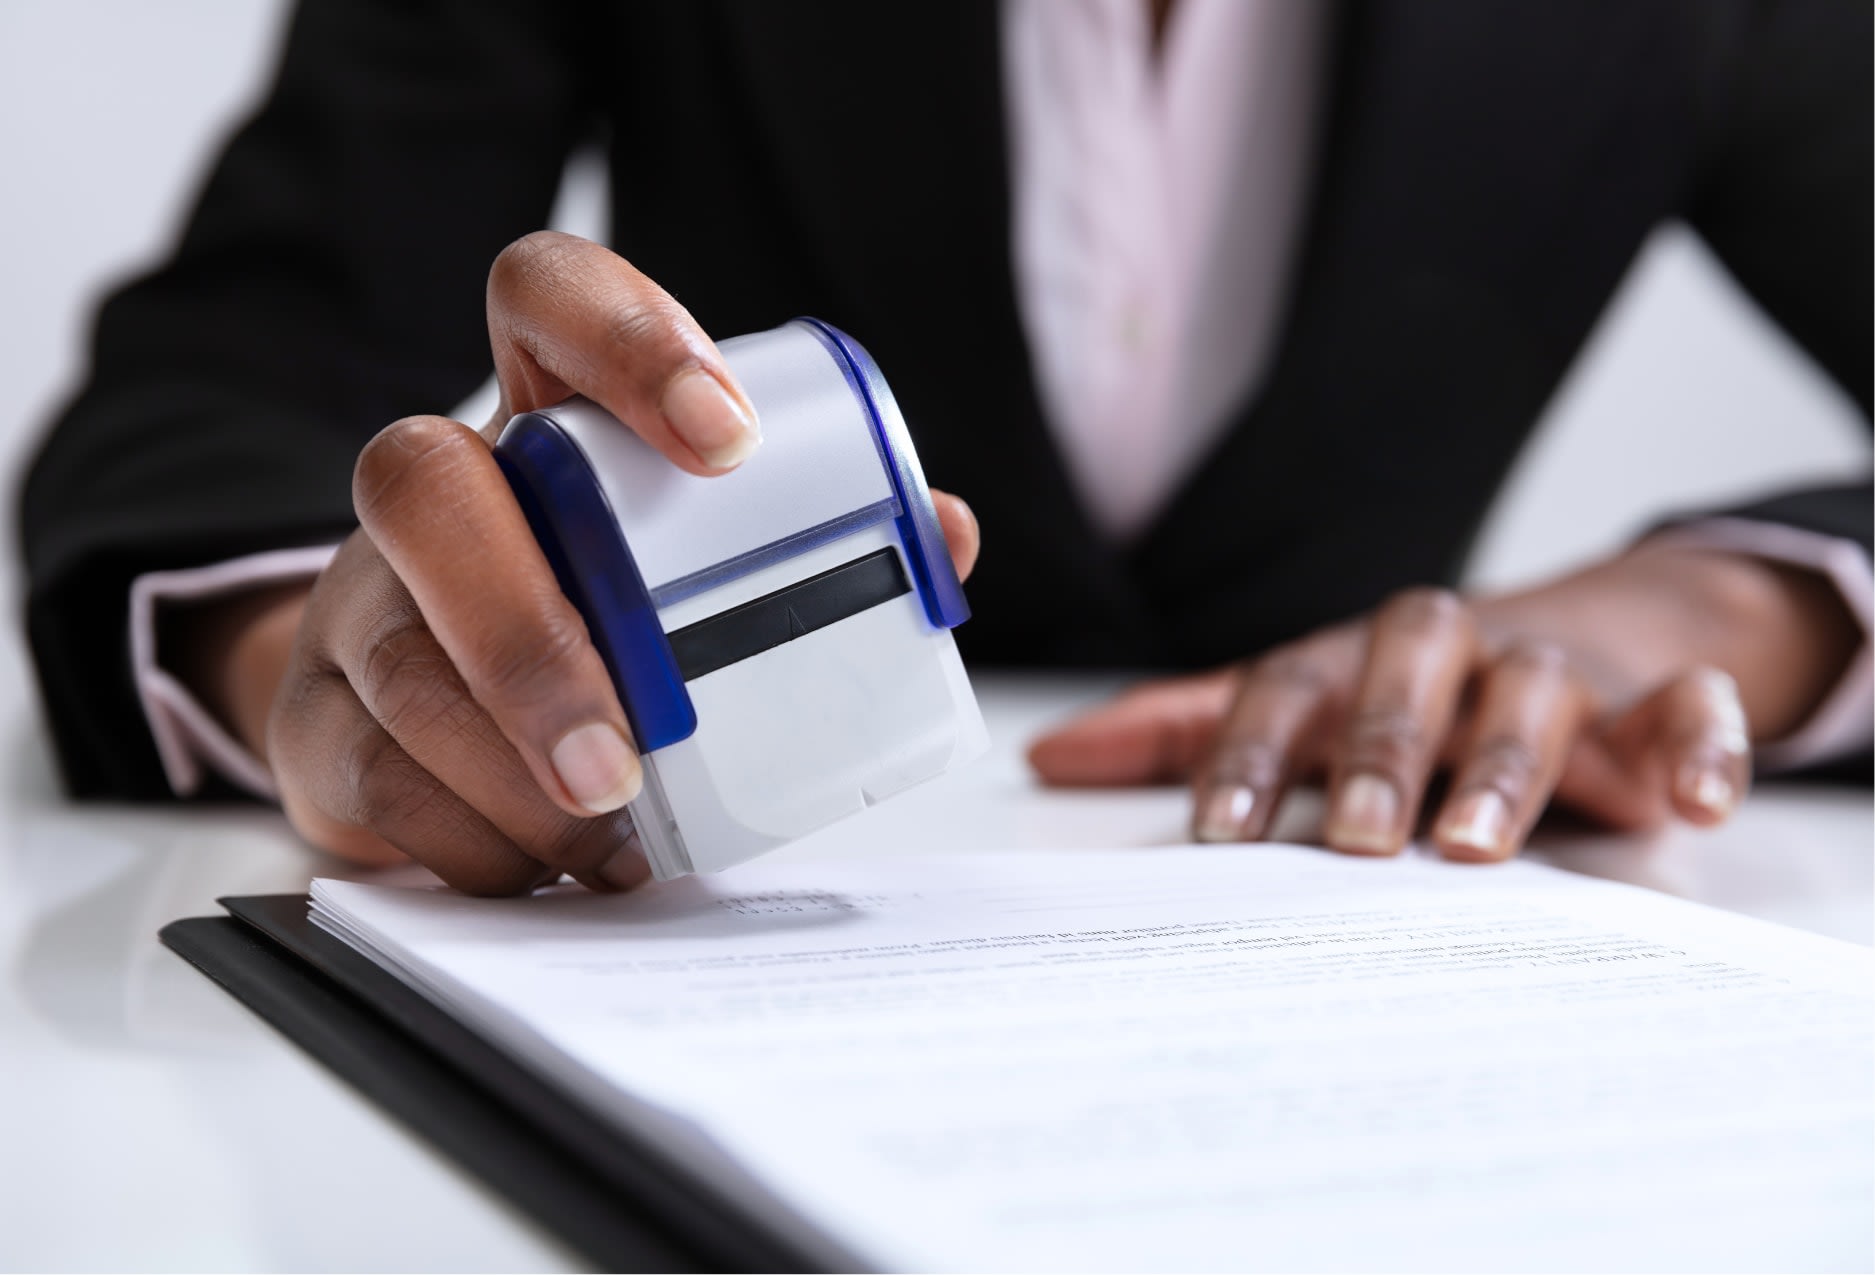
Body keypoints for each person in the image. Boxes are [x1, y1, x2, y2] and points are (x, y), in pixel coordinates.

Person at [20, 0, 1870, 896]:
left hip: (1375, 925)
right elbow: (205, 400)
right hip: (719, 886)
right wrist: (357, 669)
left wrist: (1713, 611)